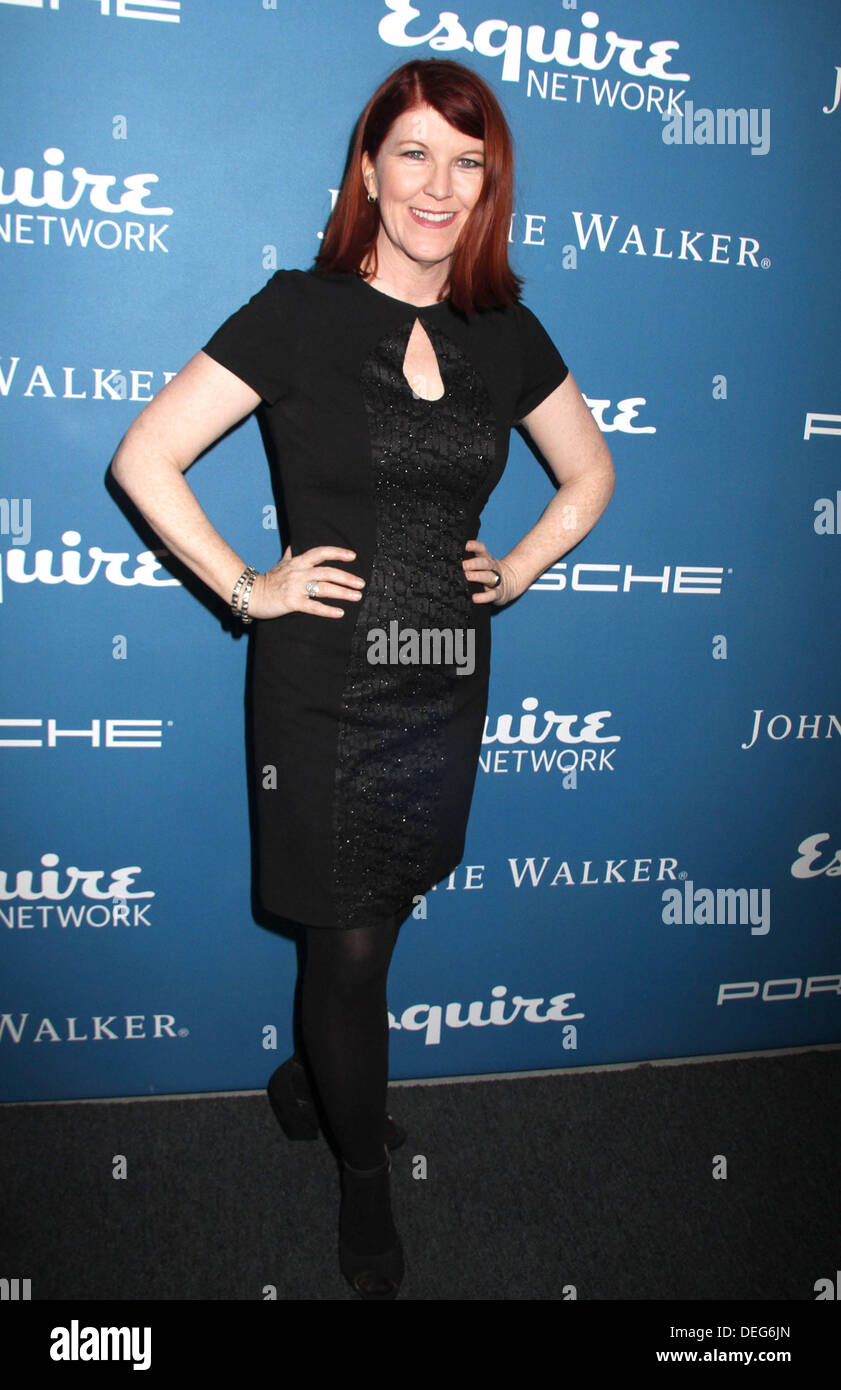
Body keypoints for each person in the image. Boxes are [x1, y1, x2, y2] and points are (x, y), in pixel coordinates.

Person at [110, 57, 615, 1300]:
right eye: (415, 155)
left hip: (441, 673)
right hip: (320, 688)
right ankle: (360, 1178)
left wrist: (527, 566)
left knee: (373, 929)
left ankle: (308, 1083)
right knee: (341, 950)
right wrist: (246, 585)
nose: (439, 186)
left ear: (487, 188)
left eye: (468, 162)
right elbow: (145, 456)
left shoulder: (509, 330)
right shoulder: (297, 311)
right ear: (368, 171)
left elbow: (590, 474)